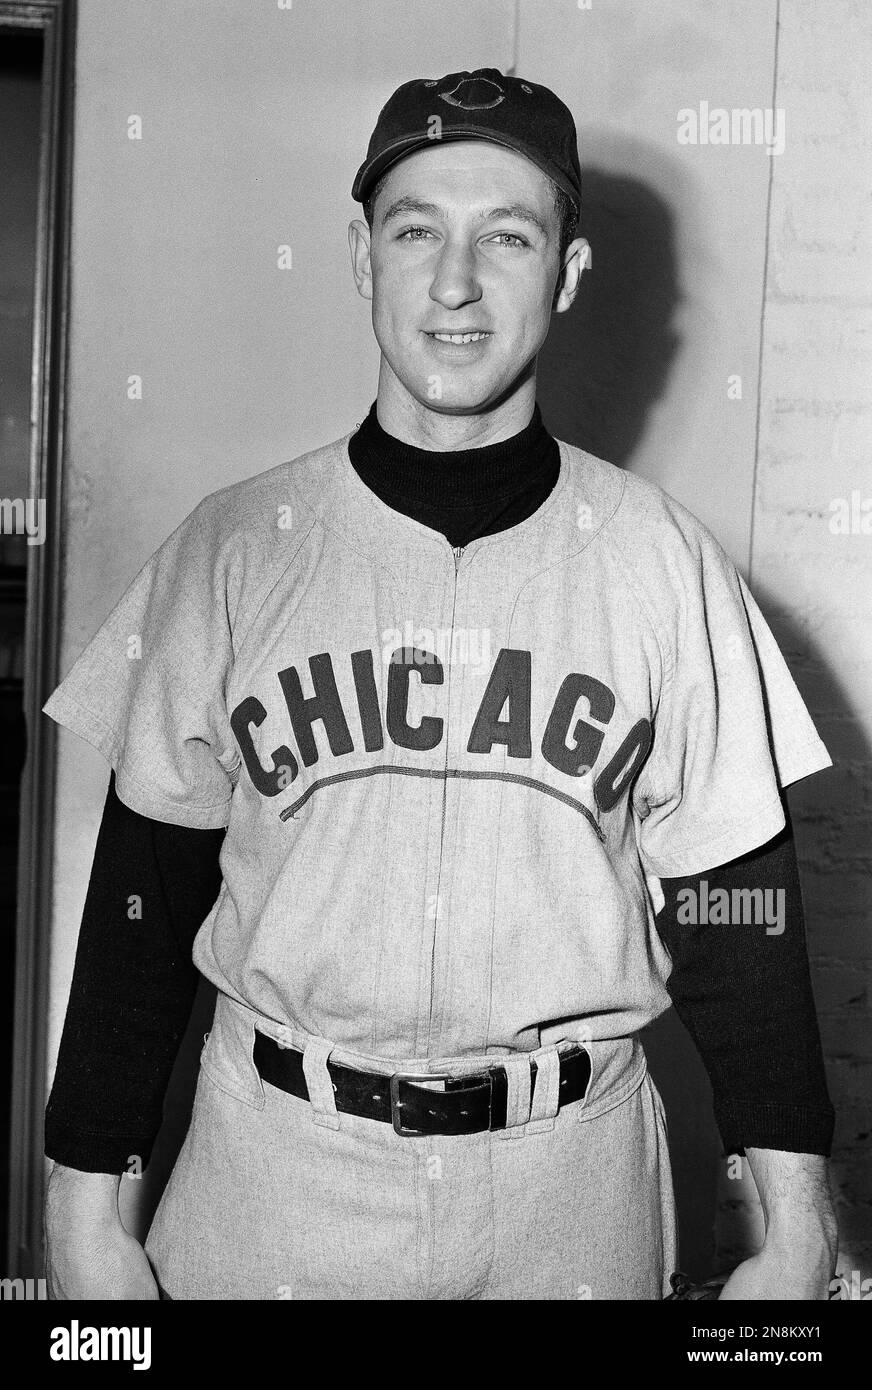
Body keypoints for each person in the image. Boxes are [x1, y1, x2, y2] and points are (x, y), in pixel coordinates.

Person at [43, 68, 837, 1301]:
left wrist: (794, 1221)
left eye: (504, 236)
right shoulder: (233, 548)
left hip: (568, 1196)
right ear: (361, 255)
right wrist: (84, 1199)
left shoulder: (661, 564)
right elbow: (143, 904)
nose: (453, 281)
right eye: (415, 230)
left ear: (569, 271)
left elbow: (742, 919)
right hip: (273, 1177)